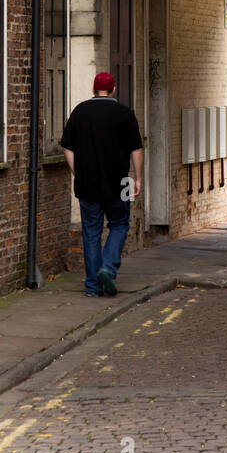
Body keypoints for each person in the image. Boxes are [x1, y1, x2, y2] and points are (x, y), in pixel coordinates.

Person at [60, 72, 143, 297]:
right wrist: (138, 178)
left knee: (91, 231)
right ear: (114, 89)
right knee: (120, 224)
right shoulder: (125, 114)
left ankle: (93, 287)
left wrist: (78, 171)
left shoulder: (80, 112)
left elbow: (68, 147)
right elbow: (136, 149)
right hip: (120, 181)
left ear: (93, 89)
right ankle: (108, 266)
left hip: (87, 182)